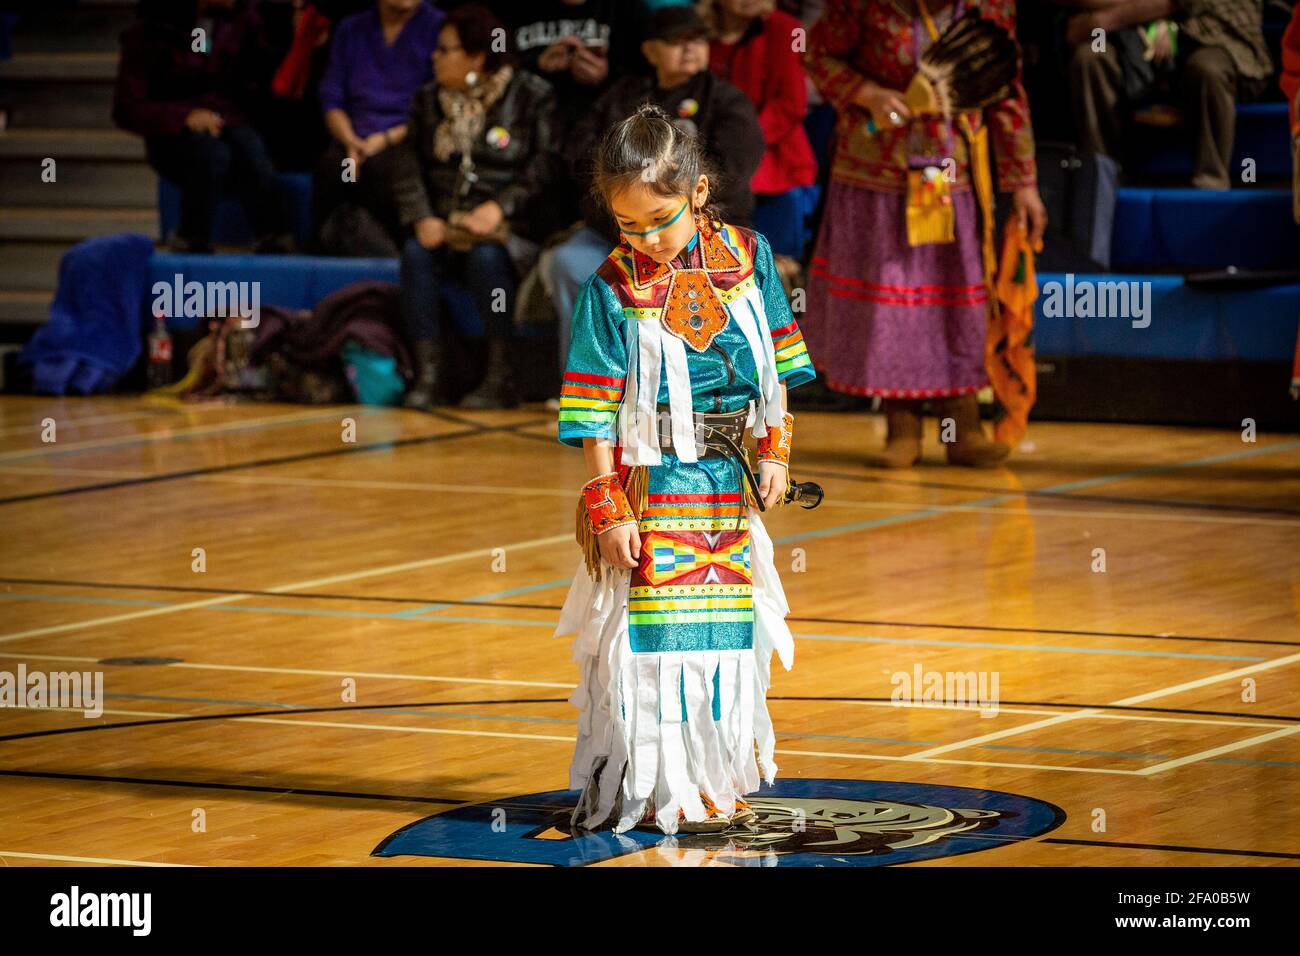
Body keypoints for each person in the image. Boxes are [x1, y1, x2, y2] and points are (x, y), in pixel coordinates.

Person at [553, 103, 815, 835]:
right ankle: (654, 786)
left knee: (725, 640)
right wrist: (607, 506)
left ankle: (712, 779)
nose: (645, 239)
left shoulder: (749, 259)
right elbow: (593, 408)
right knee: (654, 643)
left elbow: (776, 367)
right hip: (652, 481)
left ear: (698, 192)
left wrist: (776, 448)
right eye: (627, 225)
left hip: (728, 484)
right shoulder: (612, 286)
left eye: (660, 220)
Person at [803, 0, 1046, 467]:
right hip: (876, 174)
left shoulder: (986, 7)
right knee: (893, 305)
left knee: (954, 302)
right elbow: (817, 55)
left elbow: (1005, 91)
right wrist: (868, 94)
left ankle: (965, 428)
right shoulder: (863, 5)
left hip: (950, 175)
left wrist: (1024, 183)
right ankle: (902, 428)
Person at [546, 4, 764, 405]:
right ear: (649, 50)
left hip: (698, 238)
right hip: (617, 233)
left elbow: (732, 175)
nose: (690, 49)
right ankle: (591, 388)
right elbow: (583, 159)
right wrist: (629, 221)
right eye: (677, 41)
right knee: (567, 263)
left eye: (697, 40)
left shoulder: (726, 100)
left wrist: (668, 220)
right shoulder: (623, 97)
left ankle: (698, 393)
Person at [389, 3, 561, 409]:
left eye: (445, 49)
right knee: (415, 253)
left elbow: (547, 166)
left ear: (477, 57)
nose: (435, 57)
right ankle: (431, 374)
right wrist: (422, 216)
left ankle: (502, 375)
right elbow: (405, 165)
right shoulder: (428, 100)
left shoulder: (531, 95)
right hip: (446, 224)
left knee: (487, 258)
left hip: (512, 230)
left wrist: (499, 208)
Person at [113, 0, 295, 253]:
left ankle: (274, 239)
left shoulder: (241, 21)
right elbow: (127, 108)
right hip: (173, 133)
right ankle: (191, 238)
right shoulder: (148, 33)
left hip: (228, 121)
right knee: (212, 153)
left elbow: (259, 76)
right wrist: (184, 117)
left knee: (250, 149)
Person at [1065, 0, 1272, 190]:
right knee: (1089, 57)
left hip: (1212, 35)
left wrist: (1104, 20)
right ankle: (1102, 181)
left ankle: (1210, 183)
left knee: (1207, 68)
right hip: (1129, 36)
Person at [311, 0, 445, 253]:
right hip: (353, 142)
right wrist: (351, 141)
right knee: (337, 169)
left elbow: (437, 105)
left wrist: (384, 140)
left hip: (406, 138)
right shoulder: (351, 30)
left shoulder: (438, 27)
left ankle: (395, 256)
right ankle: (322, 256)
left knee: (386, 169)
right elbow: (332, 98)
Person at [704, 0, 819, 257]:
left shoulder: (787, 29)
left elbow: (792, 103)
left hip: (775, 161)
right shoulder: (700, 33)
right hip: (711, 159)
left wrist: (741, 143)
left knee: (767, 264)